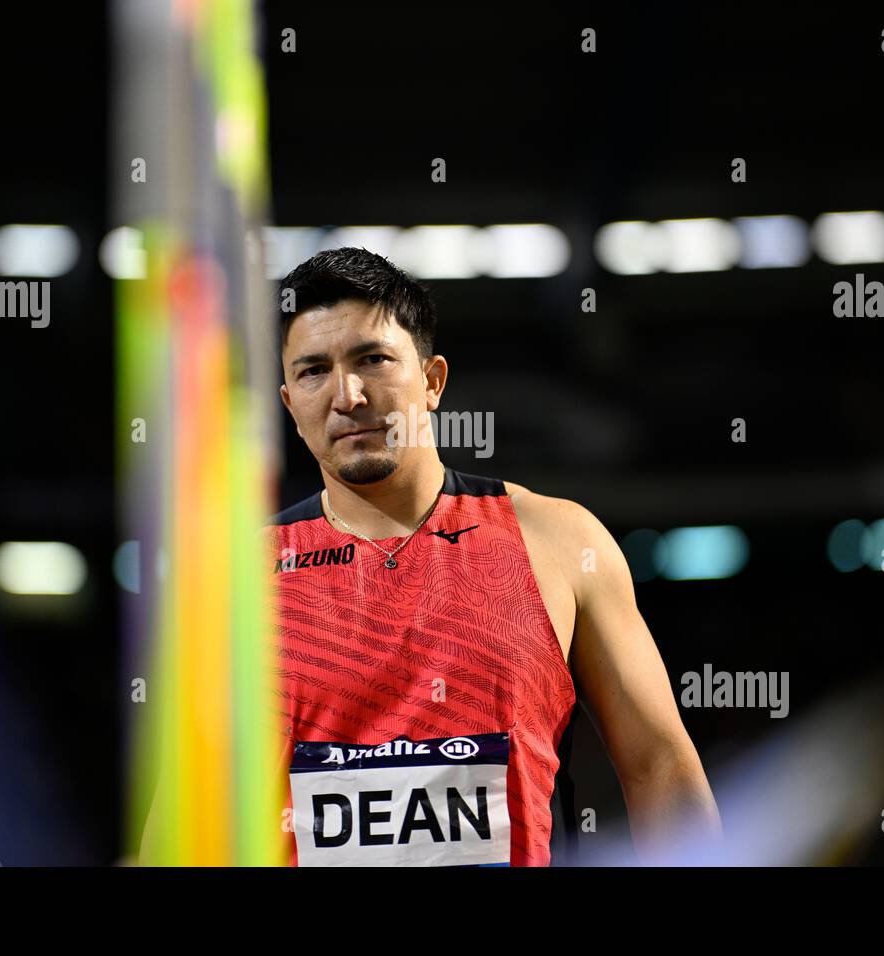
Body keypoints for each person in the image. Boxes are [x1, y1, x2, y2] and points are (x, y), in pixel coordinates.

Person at [267, 247, 719, 866]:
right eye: (314, 370)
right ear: (291, 404)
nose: (348, 395)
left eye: (372, 359)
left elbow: (659, 765)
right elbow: (185, 813)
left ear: (432, 382)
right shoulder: (241, 578)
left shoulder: (559, 541)